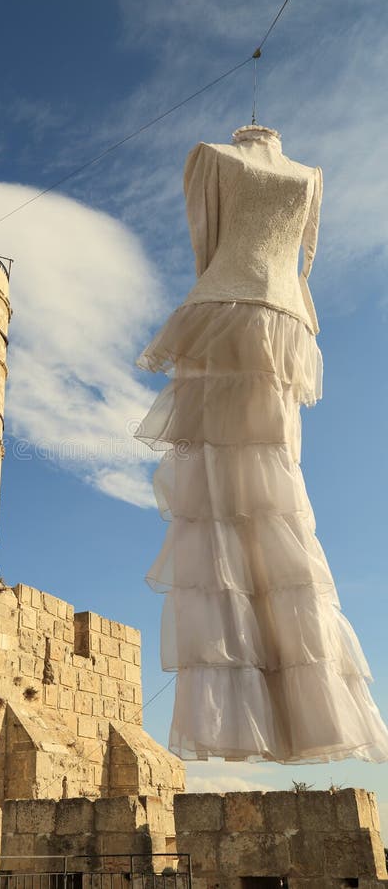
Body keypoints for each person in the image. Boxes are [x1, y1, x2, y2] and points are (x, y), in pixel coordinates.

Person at [135, 125, 388, 763]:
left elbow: (206, 249)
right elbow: (297, 266)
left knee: (253, 491)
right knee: (257, 491)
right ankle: (283, 700)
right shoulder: (217, 157)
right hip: (274, 317)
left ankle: (287, 700)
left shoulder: (295, 172)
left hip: (231, 311)